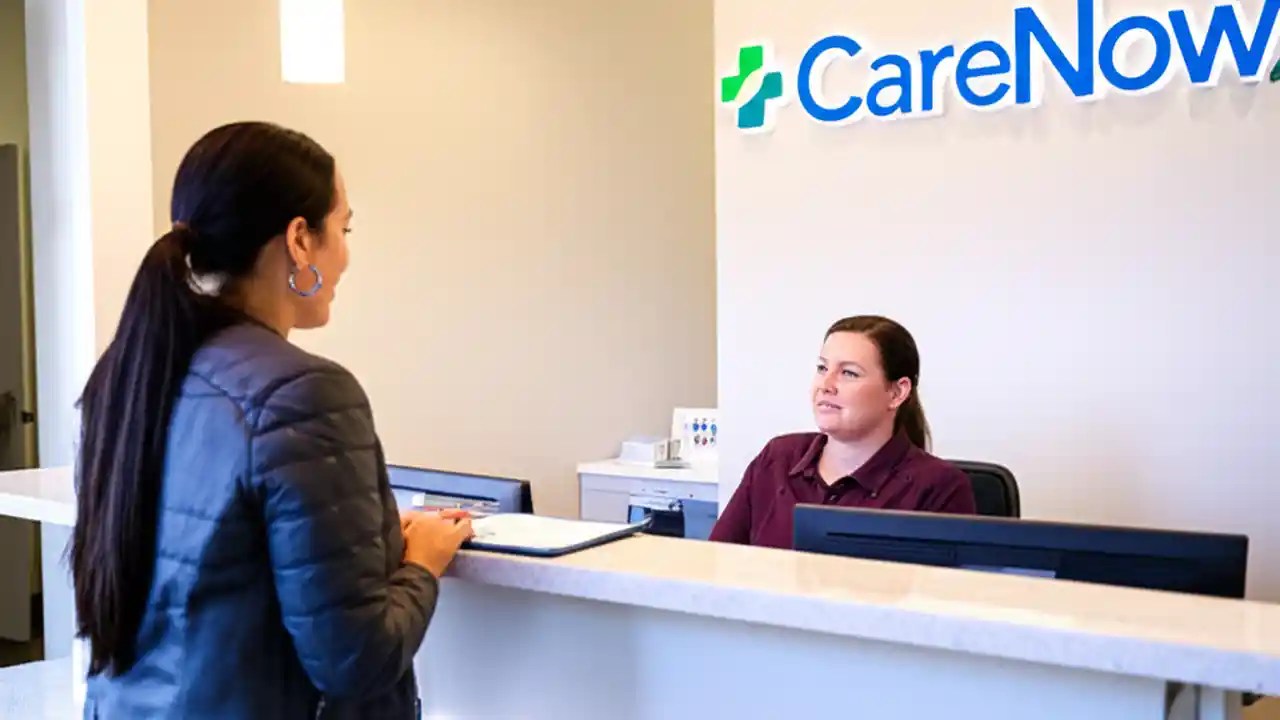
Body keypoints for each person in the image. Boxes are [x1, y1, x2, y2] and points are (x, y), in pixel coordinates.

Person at [71, 121, 473, 719]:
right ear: (299, 240)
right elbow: (355, 660)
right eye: (344, 228)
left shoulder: (127, 376)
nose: (346, 254)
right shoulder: (305, 392)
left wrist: (377, 531)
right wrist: (423, 562)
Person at [709, 315, 976, 549]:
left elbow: (943, 600)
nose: (826, 385)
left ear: (896, 392)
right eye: (822, 368)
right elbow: (717, 563)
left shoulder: (939, 488)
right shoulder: (777, 458)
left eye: (848, 373)